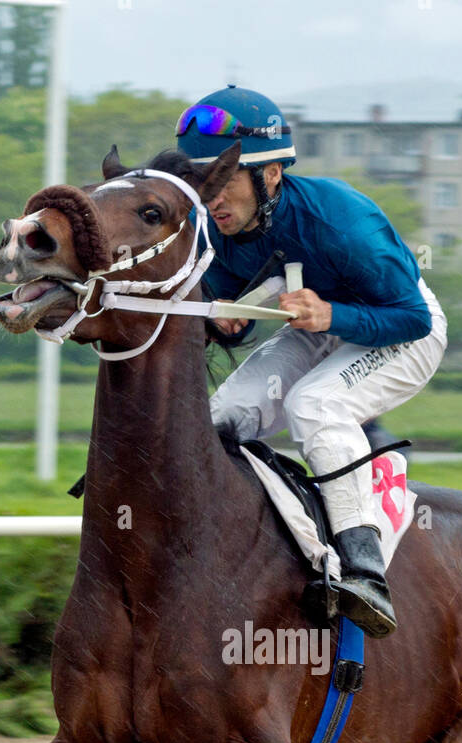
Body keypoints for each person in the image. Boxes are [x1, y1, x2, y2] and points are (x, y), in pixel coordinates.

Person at [175, 86, 447, 638]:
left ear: (271, 173)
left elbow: (411, 318)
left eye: (226, 178)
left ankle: (365, 570)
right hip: (321, 324)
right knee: (223, 416)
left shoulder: (342, 218)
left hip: (401, 329)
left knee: (315, 403)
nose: (213, 199)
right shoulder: (218, 230)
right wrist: (229, 321)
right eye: (204, 182)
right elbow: (241, 311)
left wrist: (331, 316)